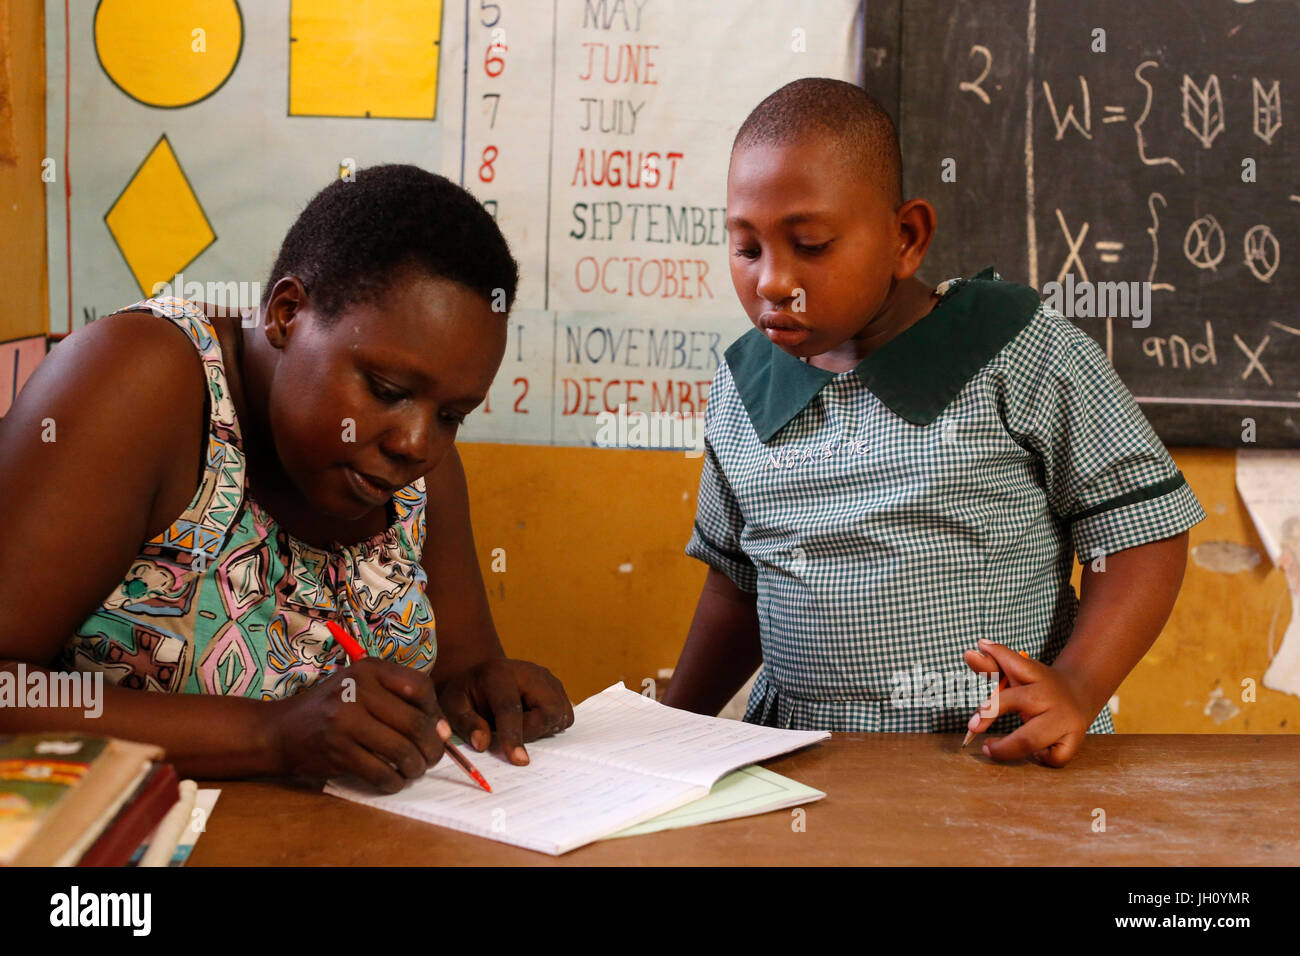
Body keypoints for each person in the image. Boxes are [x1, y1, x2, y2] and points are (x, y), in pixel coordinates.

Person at [662, 79, 1204, 766]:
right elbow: (736, 585)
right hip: (808, 766)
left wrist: (1079, 684)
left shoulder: (1015, 348)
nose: (771, 281)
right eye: (747, 249)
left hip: (995, 757)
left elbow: (1140, 533)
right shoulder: (745, 387)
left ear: (906, 238)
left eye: (811, 244)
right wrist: (669, 730)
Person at [0, 164, 572, 793]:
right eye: (387, 390)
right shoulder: (139, 380)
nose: (417, 444)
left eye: (451, 415)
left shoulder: (414, 470)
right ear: (286, 313)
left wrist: (482, 695)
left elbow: (458, 676)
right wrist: (270, 735)